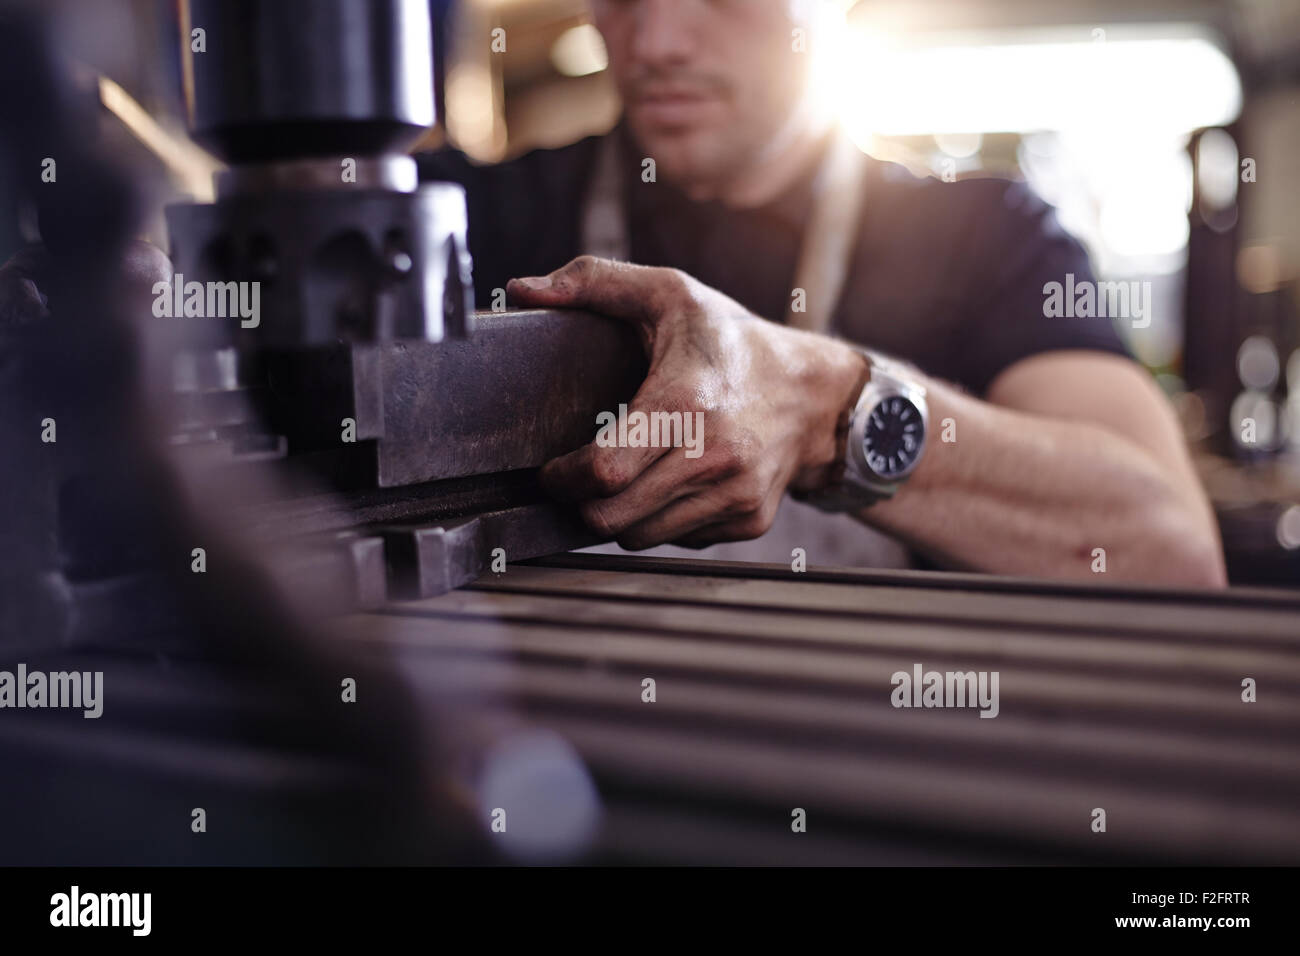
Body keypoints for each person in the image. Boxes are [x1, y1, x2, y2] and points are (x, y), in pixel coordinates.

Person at [417, 0, 1225, 586]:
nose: (656, 40)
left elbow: (1171, 552)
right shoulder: (466, 216)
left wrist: (834, 416)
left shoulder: (986, 238)